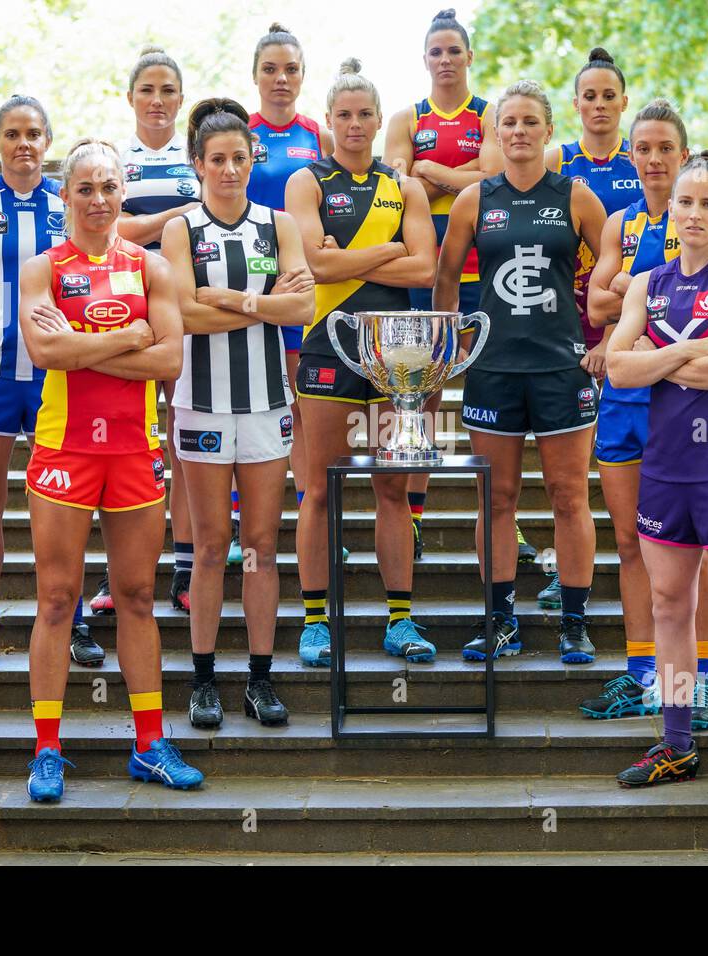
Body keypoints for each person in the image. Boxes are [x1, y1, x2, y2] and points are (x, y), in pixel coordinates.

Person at [17, 139, 198, 802]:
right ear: (65, 197)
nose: (98, 200)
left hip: (131, 450)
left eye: (108, 188)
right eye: (85, 189)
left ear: (123, 194)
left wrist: (81, 348)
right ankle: (46, 748)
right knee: (58, 598)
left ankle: (149, 744)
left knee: (138, 597)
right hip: (63, 451)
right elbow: (44, 350)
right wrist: (127, 338)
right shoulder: (43, 267)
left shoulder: (150, 269)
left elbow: (170, 362)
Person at [607, 151, 708, 803]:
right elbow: (616, 369)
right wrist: (687, 351)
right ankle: (677, 744)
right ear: (671, 212)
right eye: (686, 202)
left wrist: (656, 355)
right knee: (668, 605)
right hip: (666, 465)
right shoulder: (647, 283)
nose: (696, 212)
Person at [434, 80, 607, 664]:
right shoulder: (474, 200)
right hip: (494, 369)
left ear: (549, 130)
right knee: (497, 497)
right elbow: (446, 280)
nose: (519, 132)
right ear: (496, 132)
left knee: (568, 495)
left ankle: (574, 623)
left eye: (530, 122)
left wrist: (606, 340)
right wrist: (447, 348)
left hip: (562, 367)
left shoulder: (577, 197)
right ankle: (501, 619)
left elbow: (610, 279)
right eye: (509, 122)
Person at [162, 98, 315, 728]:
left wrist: (227, 297)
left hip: (265, 407)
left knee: (258, 545)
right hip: (201, 402)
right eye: (217, 159)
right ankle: (202, 679)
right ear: (198, 164)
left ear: (254, 159)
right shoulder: (181, 229)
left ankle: (259, 677)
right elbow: (182, 316)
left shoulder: (278, 225)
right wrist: (263, 303)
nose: (230, 169)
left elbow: (302, 310)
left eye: (240, 158)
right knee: (208, 546)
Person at [0, 96, 103, 668]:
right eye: (12, 134)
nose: (23, 143)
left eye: (33, 133)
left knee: (68, 503)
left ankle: (75, 621)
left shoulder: (70, 204)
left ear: (48, 142)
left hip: (55, 374)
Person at [285, 59, 439, 666]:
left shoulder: (405, 187)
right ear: (328, 121)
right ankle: (316, 621)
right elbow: (314, 266)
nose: (354, 123)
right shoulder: (308, 182)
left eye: (364, 114)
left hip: (394, 355)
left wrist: (347, 254)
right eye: (343, 114)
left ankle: (400, 620)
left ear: (379, 120)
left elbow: (424, 268)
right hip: (327, 345)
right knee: (319, 488)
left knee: (393, 488)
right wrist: (390, 249)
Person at [579, 99, 708, 727]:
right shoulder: (620, 222)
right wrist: (631, 310)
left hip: (686, 400)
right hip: (623, 402)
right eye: (644, 147)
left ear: (684, 153)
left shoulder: (703, 221)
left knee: (697, 546)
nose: (655, 158)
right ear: (630, 154)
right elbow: (597, 303)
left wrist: (637, 321)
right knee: (631, 541)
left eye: (667, 147)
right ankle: (644, 673)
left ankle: (707, 679)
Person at [383, 8, 513, 562]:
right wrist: (447, 177)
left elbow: (490, 178)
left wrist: (431, 172)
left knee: (497, 391)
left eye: (453, 51)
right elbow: (396, 181)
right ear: (425, 60)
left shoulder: (490, 114)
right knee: (421, 393)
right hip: (424, 267)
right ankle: (413, 512)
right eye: (435, 52)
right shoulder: (405, 115)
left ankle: (509, 518)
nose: (444, 60)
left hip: (486, 268)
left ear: (469, 57)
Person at [89, 45, 203, 616]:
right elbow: (112, 225)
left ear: (182, 99)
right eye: (146, 91)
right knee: (129, 442)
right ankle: (118, 575)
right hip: (123, 310)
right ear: (130, 97)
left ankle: (185, 570)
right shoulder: (115, 159)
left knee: (181, 443)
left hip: (186, 312)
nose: (157, 101)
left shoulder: (200, 155)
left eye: (167, 91)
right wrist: (171, 219)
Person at [537, 45, 640, 608]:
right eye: (589, 96)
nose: (599, 104)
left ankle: (641, 553)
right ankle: (568, 571)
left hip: (633, 319)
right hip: (563, 320)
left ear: (624, 102)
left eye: (609, 95)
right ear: (575, 104)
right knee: (569, 470)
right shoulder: (558, 160)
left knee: (623, 451)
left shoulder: (642, 158)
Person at [247, 22, 333, 520]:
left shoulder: (317, 135)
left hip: (301, 283)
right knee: (249, 402)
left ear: (303, 76)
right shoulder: (243, 132)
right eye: (270, 69)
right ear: (256, 75)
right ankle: (242, 525)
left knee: (302, 406)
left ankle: (310, 517)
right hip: (247, 280)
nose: (281, 78)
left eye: (291, 69)